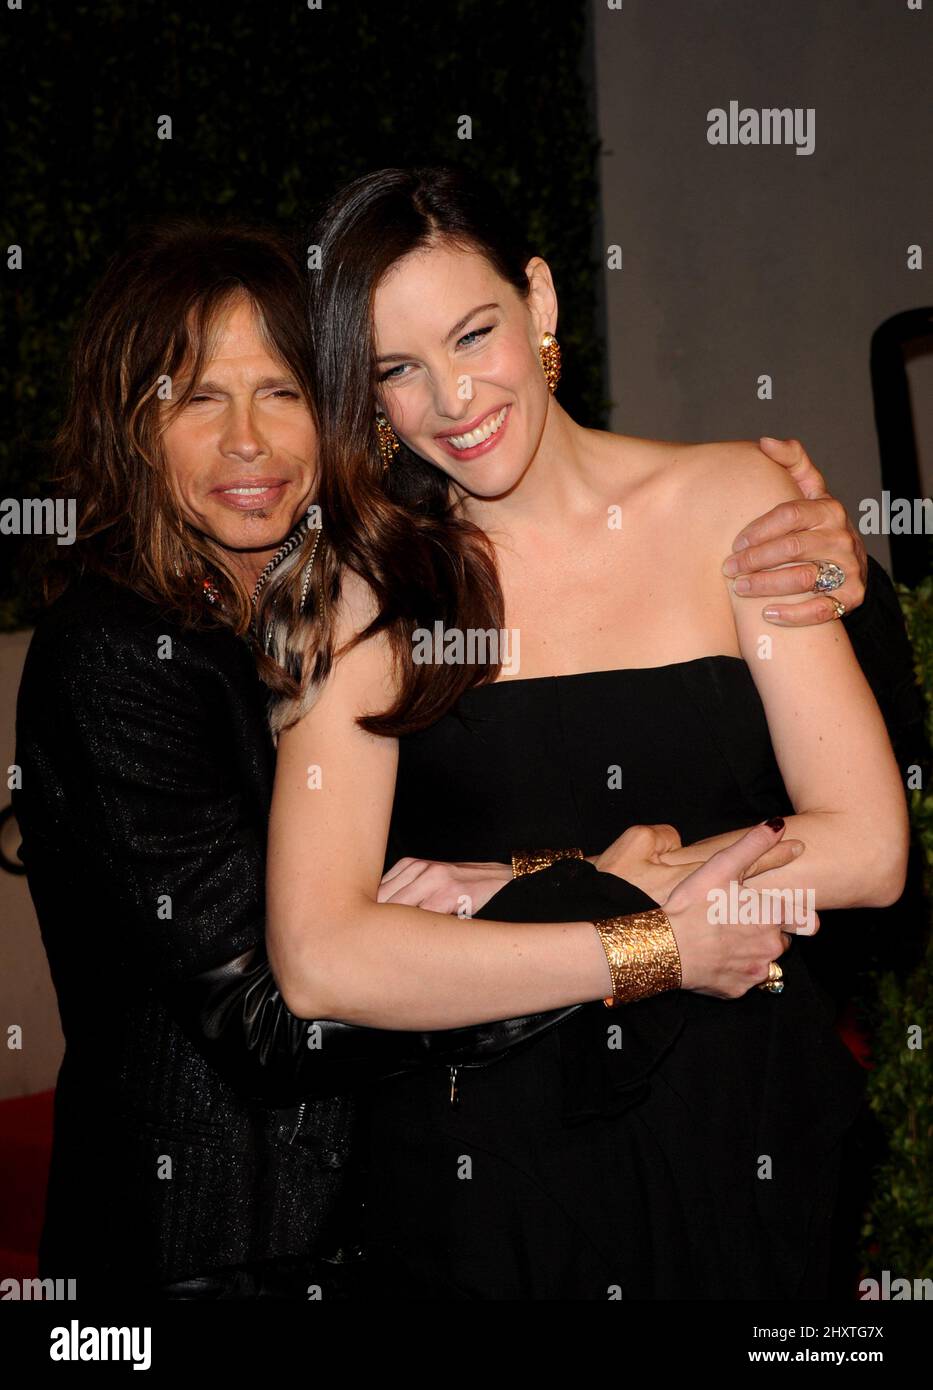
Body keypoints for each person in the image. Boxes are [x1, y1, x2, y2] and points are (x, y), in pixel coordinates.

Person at [12, 215, 821, 1299]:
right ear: (129, 428)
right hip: (212, 1257)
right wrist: (636, 932)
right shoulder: (119, 655)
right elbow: (273, 1013)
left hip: (385, 1221)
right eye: (197, 397)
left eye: (284, 392)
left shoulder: (343, 610)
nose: (248, 442)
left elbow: (439, 867)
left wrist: (831, 558)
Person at [259, 166, 912, 1299]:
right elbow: (319, 960)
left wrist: (532, 878)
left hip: (740, 1126)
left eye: (474, 334)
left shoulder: (737, 503)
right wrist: (648, 942)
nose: (453, 399)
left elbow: (867, 848)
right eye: (398, 372)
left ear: (543, 302)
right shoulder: (362, 591)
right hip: (494, 1169)